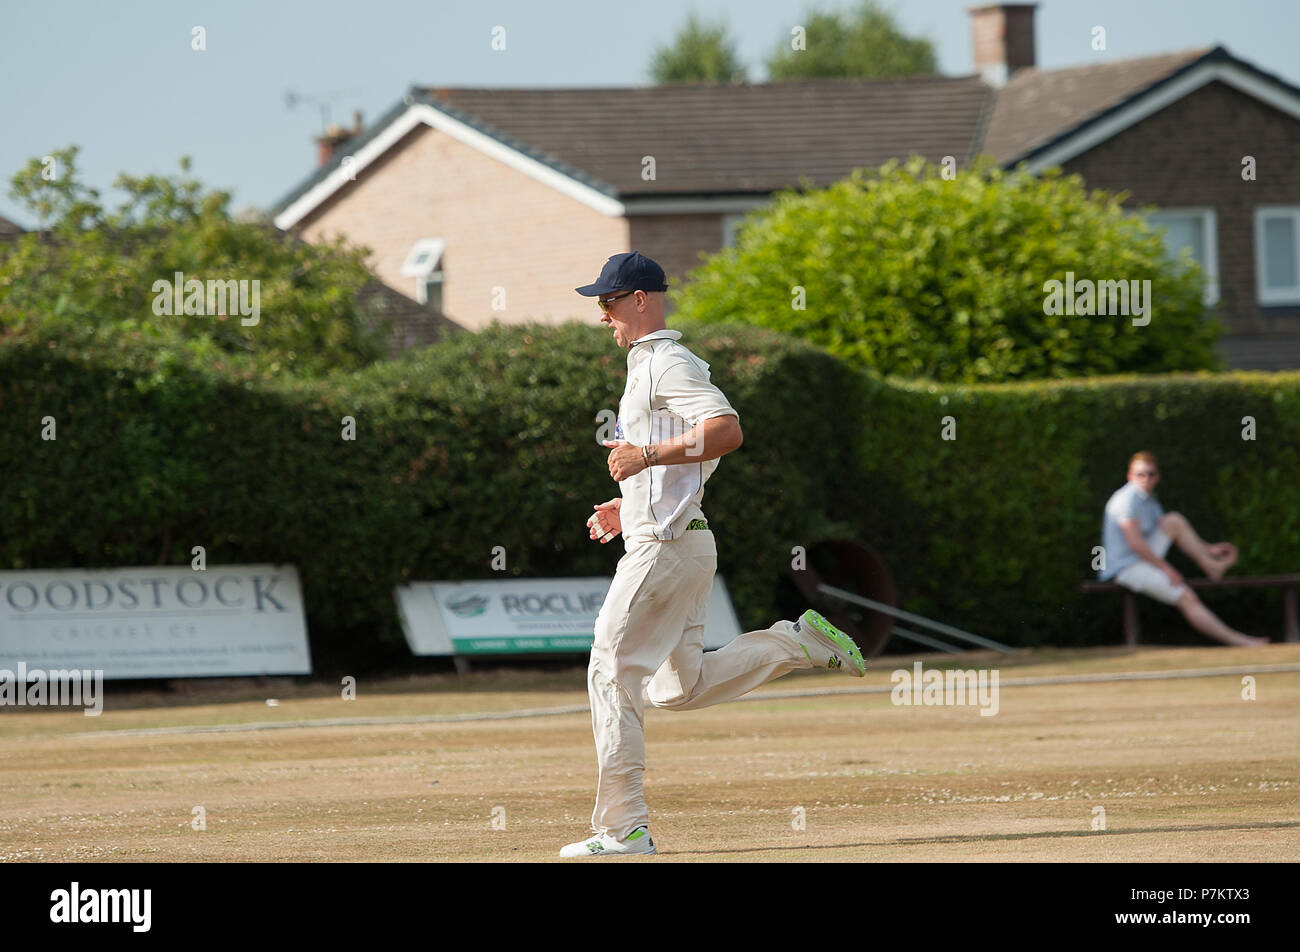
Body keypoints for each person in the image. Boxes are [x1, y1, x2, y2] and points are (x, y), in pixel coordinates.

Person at [559, 251, 866, 858]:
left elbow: (726, 430)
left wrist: (644, 461)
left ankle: (625, 831)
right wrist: (632, 501)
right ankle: (800, 642)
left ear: (641, 300)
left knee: (610, 670)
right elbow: (692, 455)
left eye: (609, 303)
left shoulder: (664, 362)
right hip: (682, 538)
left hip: (668, 547)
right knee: (680, 686)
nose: (604, 316)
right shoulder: (649, 364)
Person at [1099, 451, 1267, 647]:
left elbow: (1171, 531)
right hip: (1125, 568)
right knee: (1187, 596)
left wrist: (1208, 548)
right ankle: (1242, 642)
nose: (1146, 479)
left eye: (1150, 474)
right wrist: (1167, 569)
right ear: (1129, 476)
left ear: (1158, 476)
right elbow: (1136, 544)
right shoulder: (1126, 500)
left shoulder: (1149, 500)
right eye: (1140, 474)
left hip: (1140, 561)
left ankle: (1210, 564)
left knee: (1174, 521)